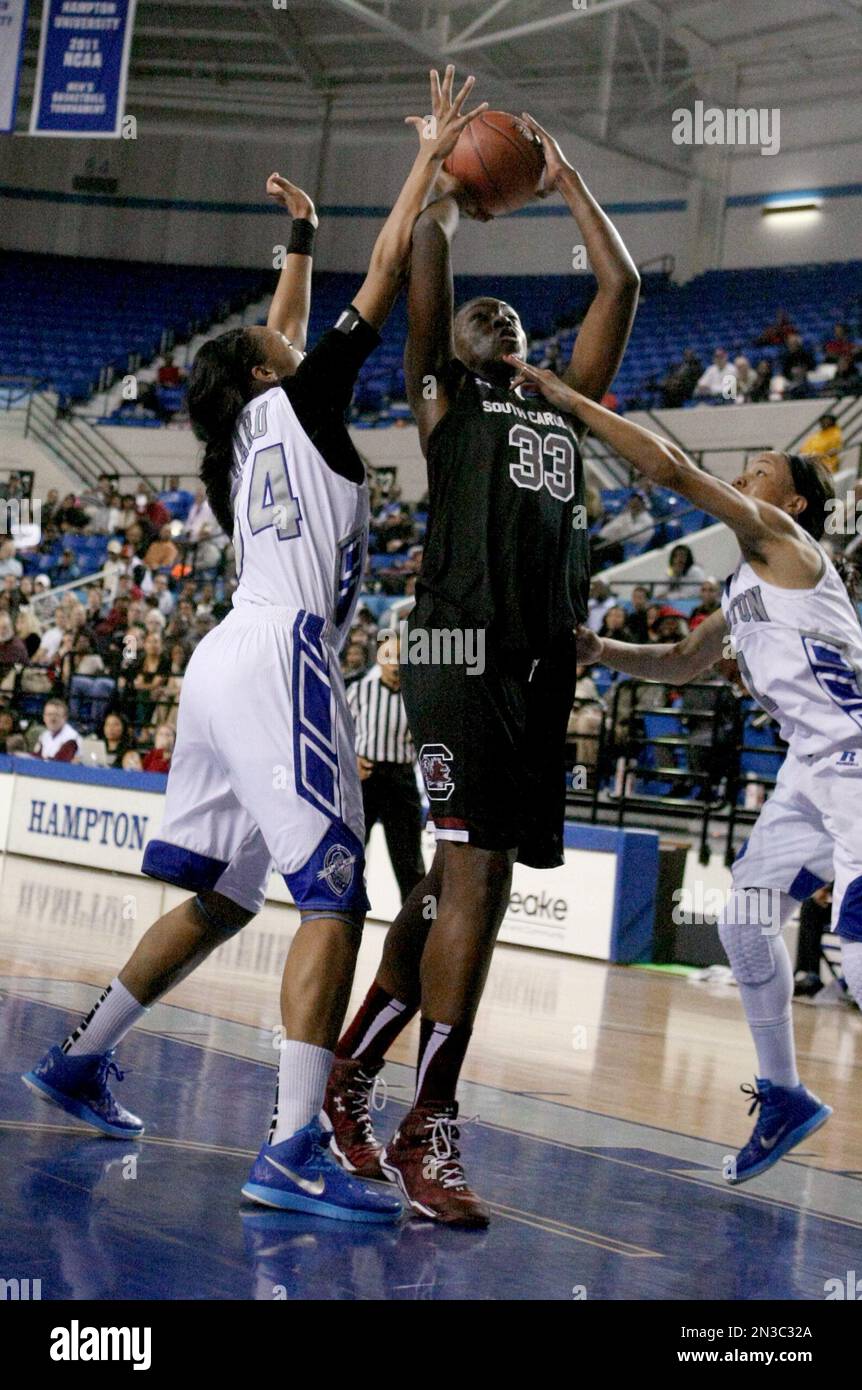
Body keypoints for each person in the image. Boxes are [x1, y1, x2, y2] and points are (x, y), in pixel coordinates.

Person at [22, 69, 487, 1226]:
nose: (289, 346)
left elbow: (274, 336)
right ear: (272, 375)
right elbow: (377, 283)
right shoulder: (303, 397)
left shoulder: (238, 448)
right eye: (279, 348)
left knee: (222, 900)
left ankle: (81, 1056)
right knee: (330, 899)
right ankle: (288, 1151)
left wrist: (296, 235)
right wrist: (428, 159)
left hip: (226, 657)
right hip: (281, 660)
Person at [324, 105, 638, 1226]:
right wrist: (447, 173)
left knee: (454, 892)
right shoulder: (441, 399)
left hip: (541, 671)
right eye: (477, 315)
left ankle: (350, 1078)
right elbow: (425, 259)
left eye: (510, 314)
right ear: (449, 349)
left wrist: (562, 181)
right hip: (455, 649)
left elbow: (619, 289)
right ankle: (430, 1124)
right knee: (475, 889)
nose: (496, 315)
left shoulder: (560, 398)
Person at [503, 349, 862, 1185]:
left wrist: (565, 398)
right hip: (813, 771)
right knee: (743, 919)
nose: (749, 472)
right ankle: (784, 1093)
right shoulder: (746, 582)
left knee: (856, 955)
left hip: (855, 757)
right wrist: (600, 649)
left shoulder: (782, 538)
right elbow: (679, 664)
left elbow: (667, 466)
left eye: (765, 468)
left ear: (795, 500)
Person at [346, 631, 424, 904]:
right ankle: (342, 915)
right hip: (365, 776)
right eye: (389, 656)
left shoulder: (418, 697)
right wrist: (350, 759)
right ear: (379, 658)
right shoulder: (359, 690)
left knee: (409, 862)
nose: (395, 663)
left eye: (401, 657)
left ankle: (418, 928)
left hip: (401, 779)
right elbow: (338, 733)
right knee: (350, 854)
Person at [33, 697, 81, 763]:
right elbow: (37, 757)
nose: (52, 719)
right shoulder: (44, 735)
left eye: (56, 715)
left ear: (65, 718)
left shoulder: (71, 738)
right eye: (49, 715)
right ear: (44, 717)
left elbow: (60, 762)